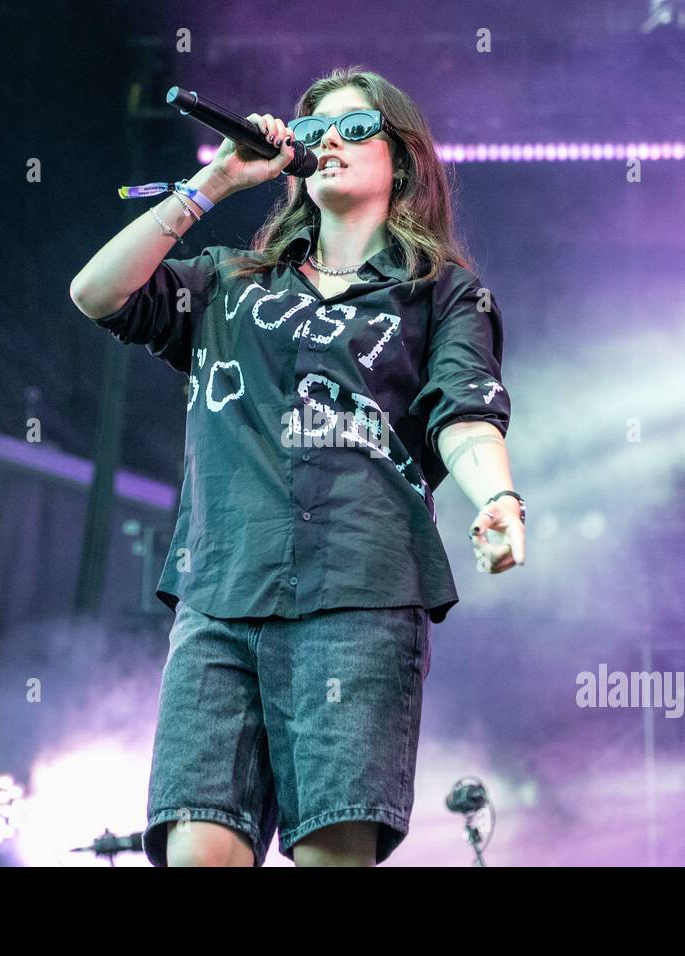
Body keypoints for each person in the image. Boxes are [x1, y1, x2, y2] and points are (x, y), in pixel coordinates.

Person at [69, 66, 525, 867]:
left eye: (355, 129)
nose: (330, 144)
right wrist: (213, 183)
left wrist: (498, 498)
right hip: (221, 590)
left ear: (403, 159)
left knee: (328, 853)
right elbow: (97, 293)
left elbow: (466, 414)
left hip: (358, 594)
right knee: (198, 851)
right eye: (314, 132)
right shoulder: (229, 282)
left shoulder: (442, 295)